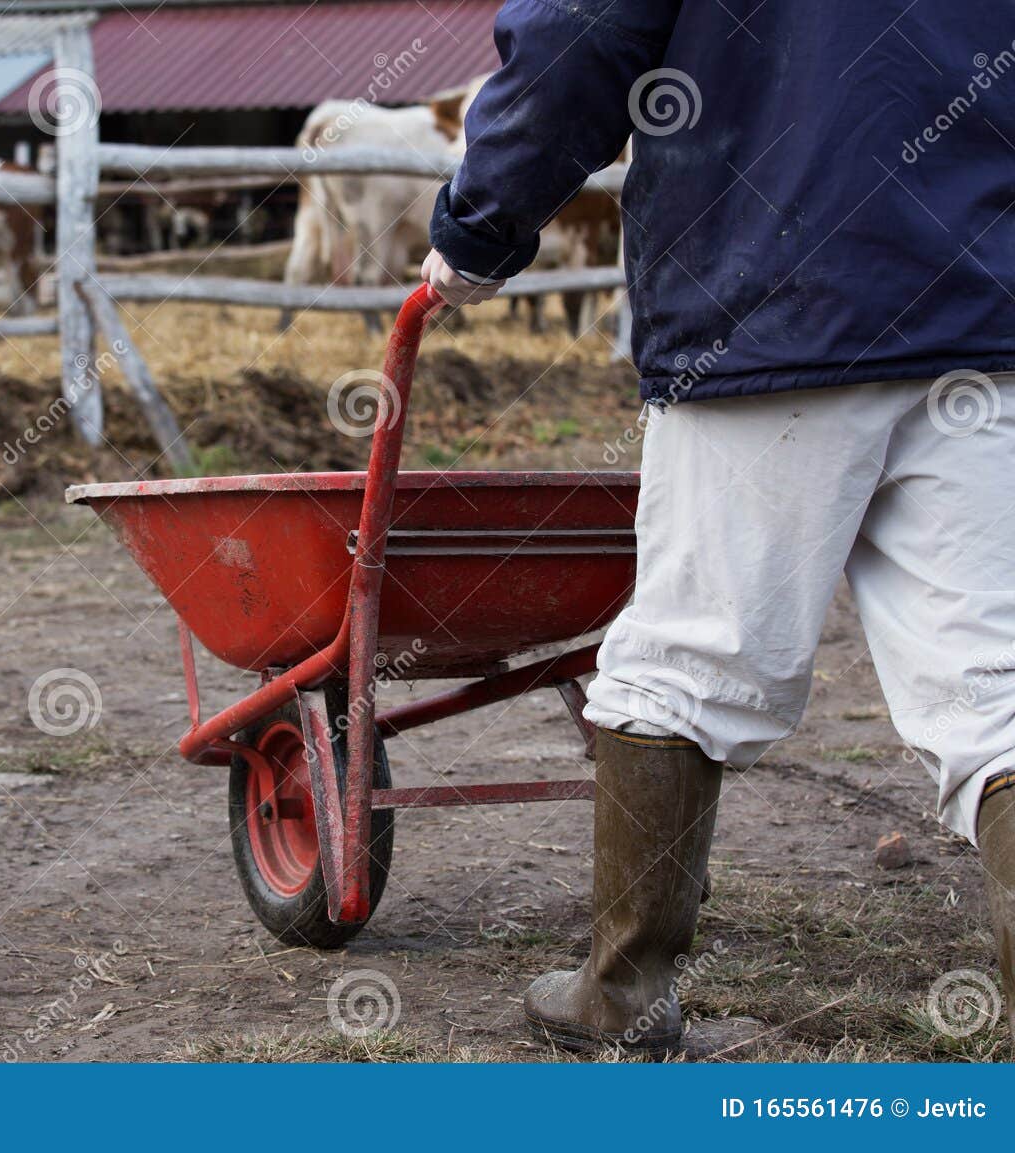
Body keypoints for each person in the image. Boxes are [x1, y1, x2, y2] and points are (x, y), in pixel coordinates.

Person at [424, 0, 1015, 1052]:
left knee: (688, 662)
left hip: (769, 299)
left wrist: (480, 228)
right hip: (984, 312)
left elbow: (577, 33)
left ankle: (620, 993)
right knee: (997, 689)